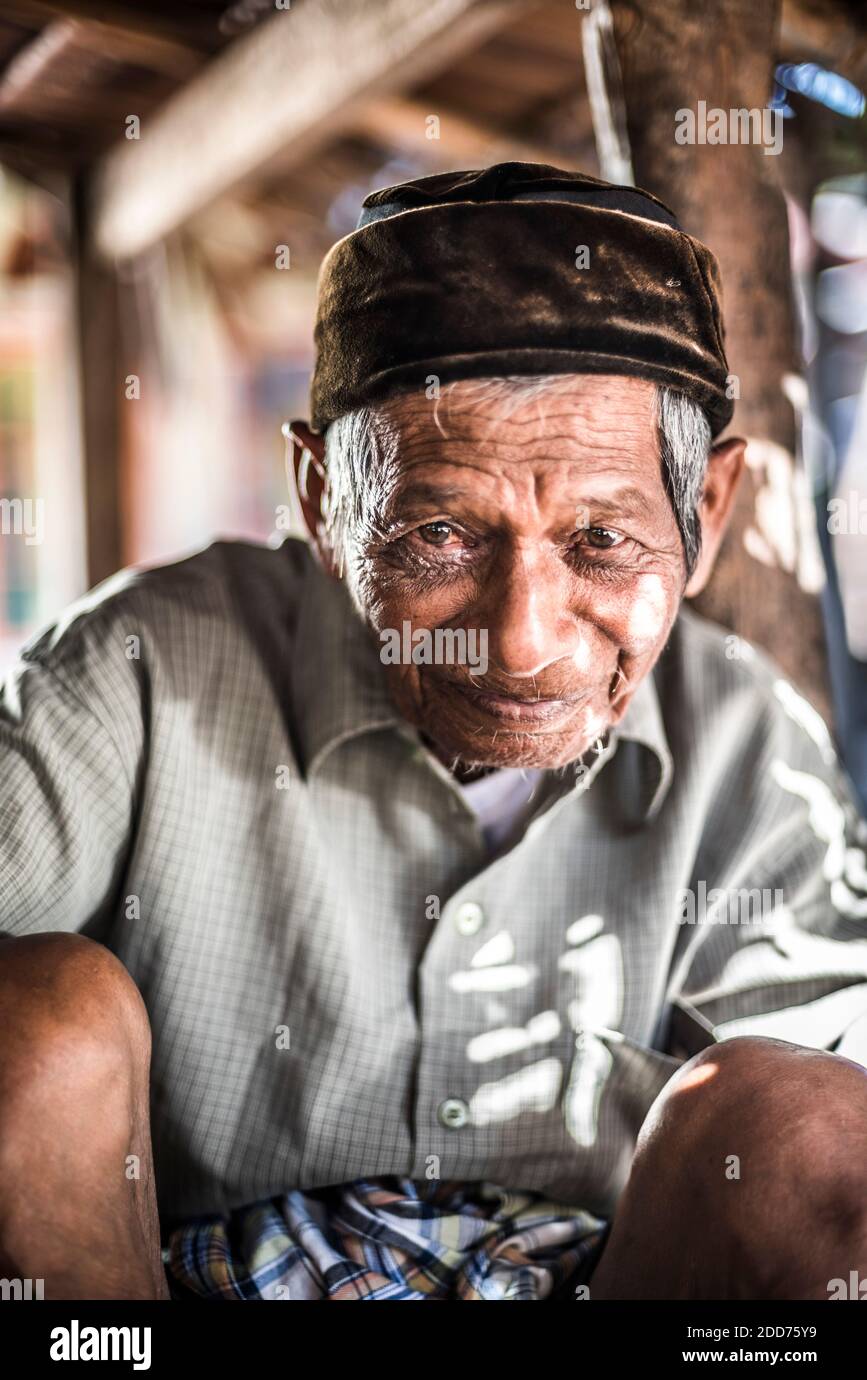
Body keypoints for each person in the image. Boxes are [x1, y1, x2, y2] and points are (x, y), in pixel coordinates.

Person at [1, 163, 866, 1302]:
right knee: (31, 1022)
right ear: (323, 502)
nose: (518, 644)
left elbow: (819, 1182)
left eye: (602, 541)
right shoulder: (136, 671)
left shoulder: (753, 752)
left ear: (702, 514)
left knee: (813, 1126)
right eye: (443, 535)